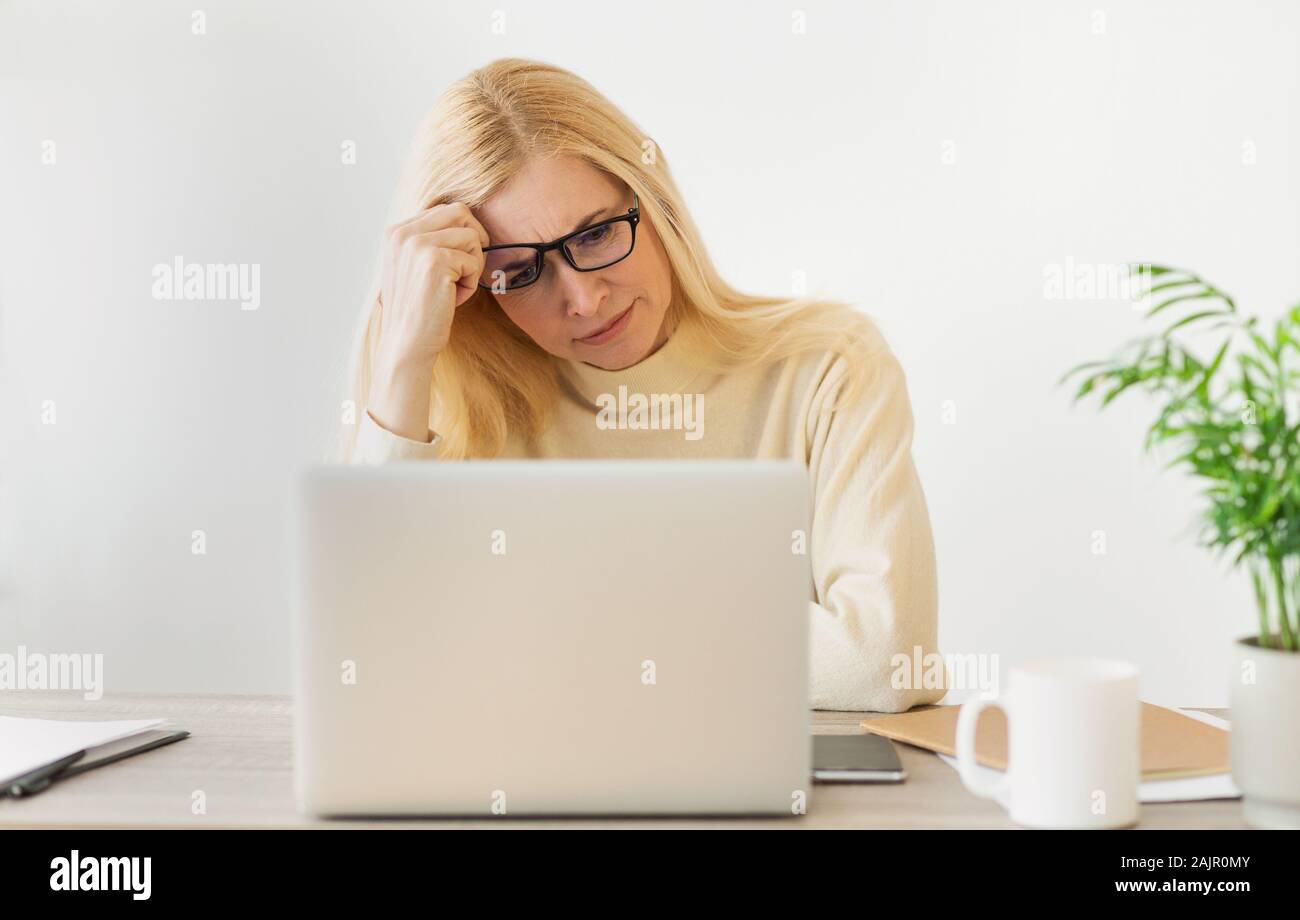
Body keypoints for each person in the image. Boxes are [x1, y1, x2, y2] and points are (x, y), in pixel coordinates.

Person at [341, 57, 947, 713]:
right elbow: (368, 663)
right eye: (520, 270)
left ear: (652, 202)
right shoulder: (443, 398)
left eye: (598, 233)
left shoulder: (829, 367)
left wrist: (551, 640)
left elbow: (882, 663)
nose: (582, 298)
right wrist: (402, 359)